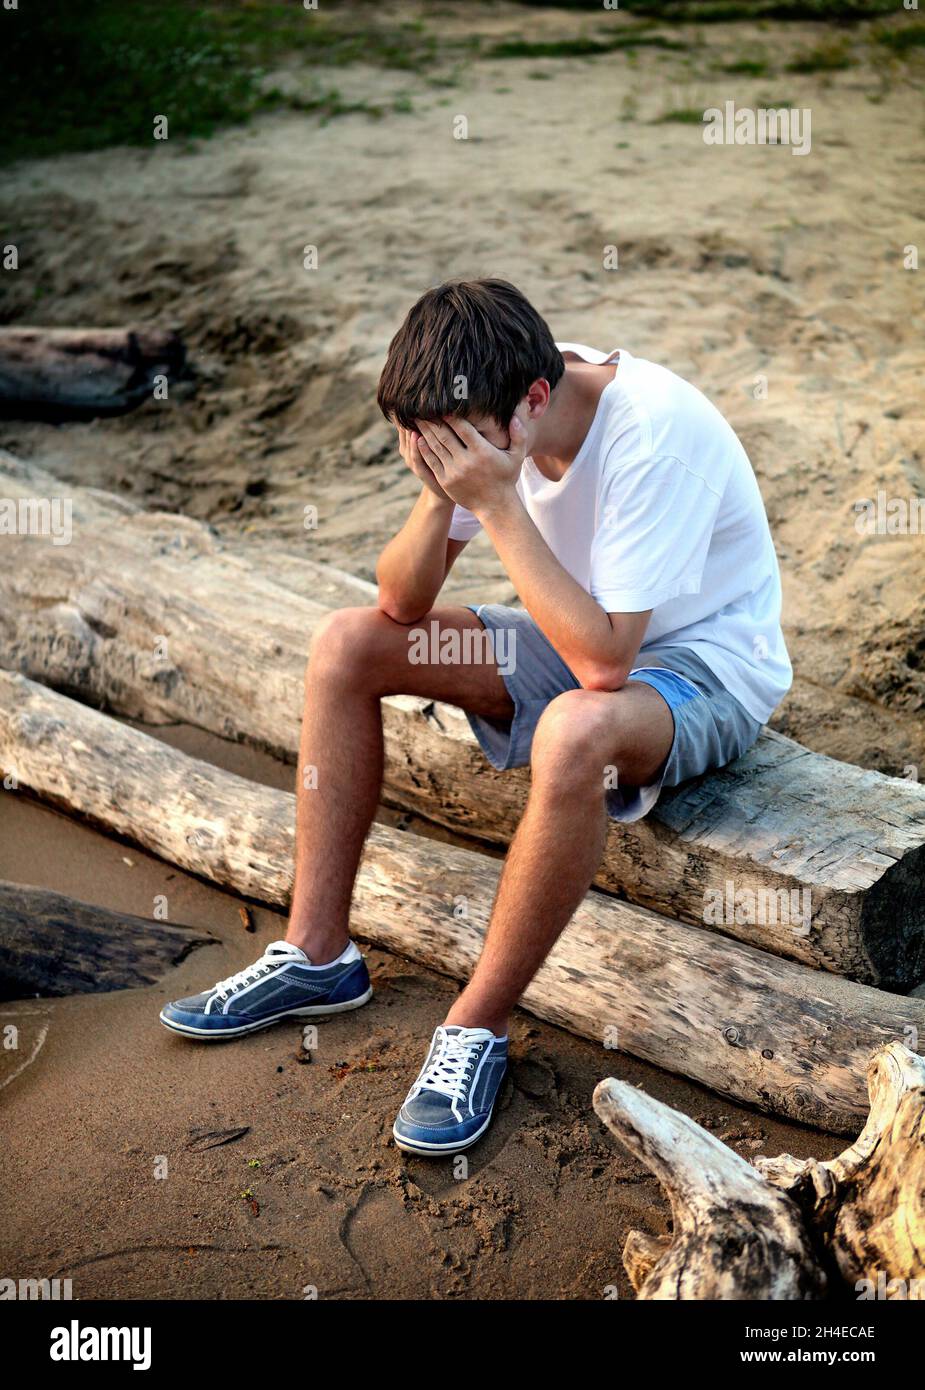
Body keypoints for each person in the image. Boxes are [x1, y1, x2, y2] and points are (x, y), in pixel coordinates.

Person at [161, 278, 791, 1158]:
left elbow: (607, 665)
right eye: (424, 444)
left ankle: (476, 1027)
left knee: (575, 725)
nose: (447, 456)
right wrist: (438, 493)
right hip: (581, 631)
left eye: (453, 446)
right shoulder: (487, 406)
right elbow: (399, 598)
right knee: (347, 644)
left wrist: (494, 501)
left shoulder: (655, 436)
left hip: (700, 672)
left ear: (533, 402)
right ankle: (317, 956)